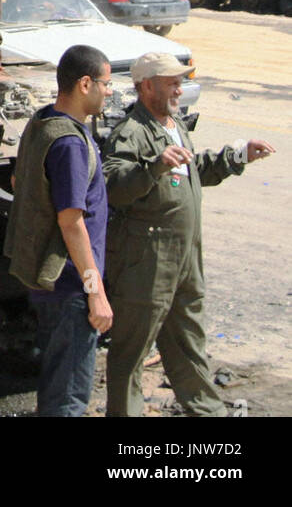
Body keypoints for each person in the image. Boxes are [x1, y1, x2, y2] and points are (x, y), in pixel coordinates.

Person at [102, 52, 275, 417]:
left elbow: (194, 173)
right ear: (147, 86)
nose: (180, 89)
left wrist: (239, 156)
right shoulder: (130, 132)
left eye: (181, 81)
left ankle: (207, 413)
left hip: (184, 258)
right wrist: (154, 167)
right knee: (131, 352)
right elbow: (113, 186)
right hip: (147, 259)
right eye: (172, 82)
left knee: (189, 344)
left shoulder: (174, 124)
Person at [4, 45, 113, 417]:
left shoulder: (41, 122)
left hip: (51, 283)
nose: (109, 91)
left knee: (57, 388)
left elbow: (20, 181)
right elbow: (71, 222)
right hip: (70, 287)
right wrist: (94, 292)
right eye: (105, 83)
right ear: (85, 84)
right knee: (67, 398)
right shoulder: (69, 143)